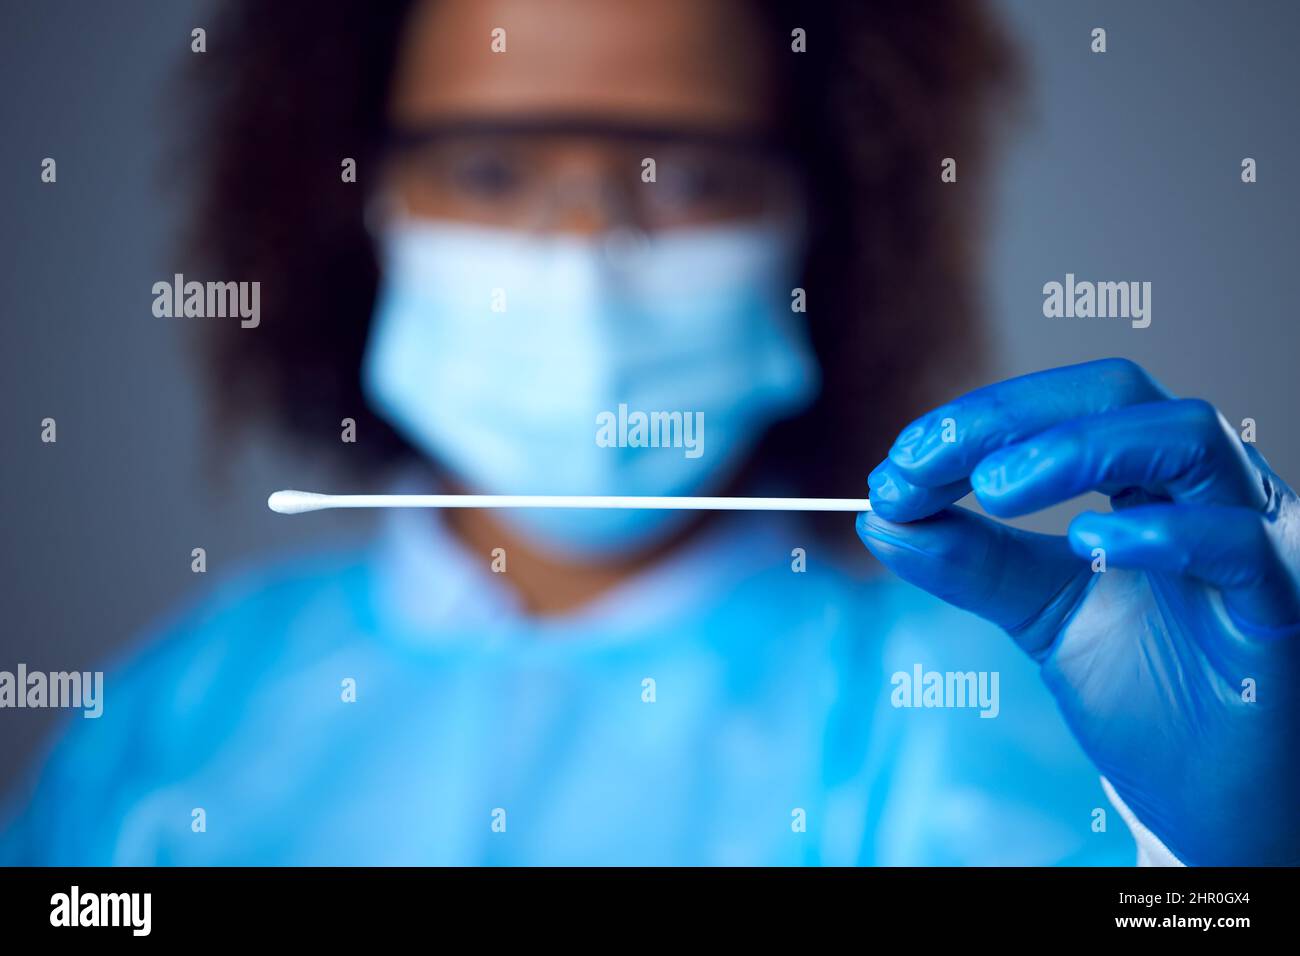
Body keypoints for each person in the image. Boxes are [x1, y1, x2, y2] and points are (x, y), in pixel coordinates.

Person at [2, 0, 1295, 866]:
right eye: (493, 169)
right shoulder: (176, 718)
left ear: (828, 228)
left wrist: (1224, 882)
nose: (583, 251)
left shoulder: (1000, 723)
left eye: (685, 177)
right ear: (351, 198)